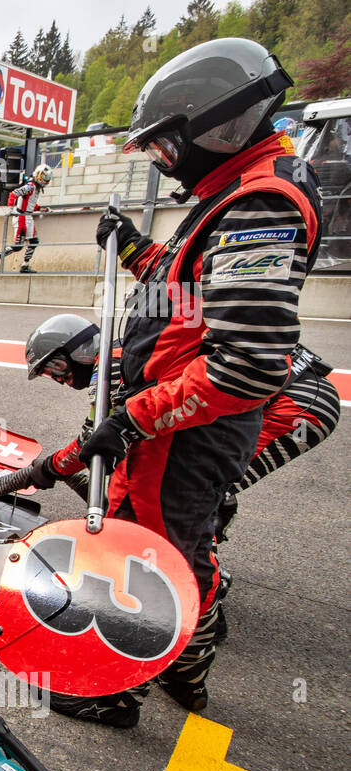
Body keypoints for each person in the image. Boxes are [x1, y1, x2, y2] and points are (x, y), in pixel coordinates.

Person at [37, 38, 323, 727]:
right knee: (168, 548)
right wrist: (135, 248)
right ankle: (182, 670)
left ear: (213, 123)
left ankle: (121, 689)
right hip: (178, 422)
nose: (164, 161)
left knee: (158, 560)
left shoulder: (262, 203)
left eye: (167, 145)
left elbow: (245, 364)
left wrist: (133, 418)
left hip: (188, 427)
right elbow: (186, 296)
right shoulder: (234, 194)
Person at [21, 315, 340, 524]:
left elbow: (93, 439)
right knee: (201, 481)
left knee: (199, 489)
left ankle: (201, 580)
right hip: (295, 396)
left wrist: (50, 468)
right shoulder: (123, 352)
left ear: (76, 351)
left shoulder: (110, 367)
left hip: (298, 405)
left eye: (56, 368)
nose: (57, 379)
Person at [0, 164, 52, 274]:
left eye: (47, 179)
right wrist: (11, 209)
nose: (45, 181)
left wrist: (40, 208)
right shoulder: (30, 186)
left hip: (28, 216)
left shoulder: (36, 188)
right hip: (21, 217)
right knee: (18, 246)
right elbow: (14, 193)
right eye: (44, 178)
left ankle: (25, 265)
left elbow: (29, 203)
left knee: (34, 241)